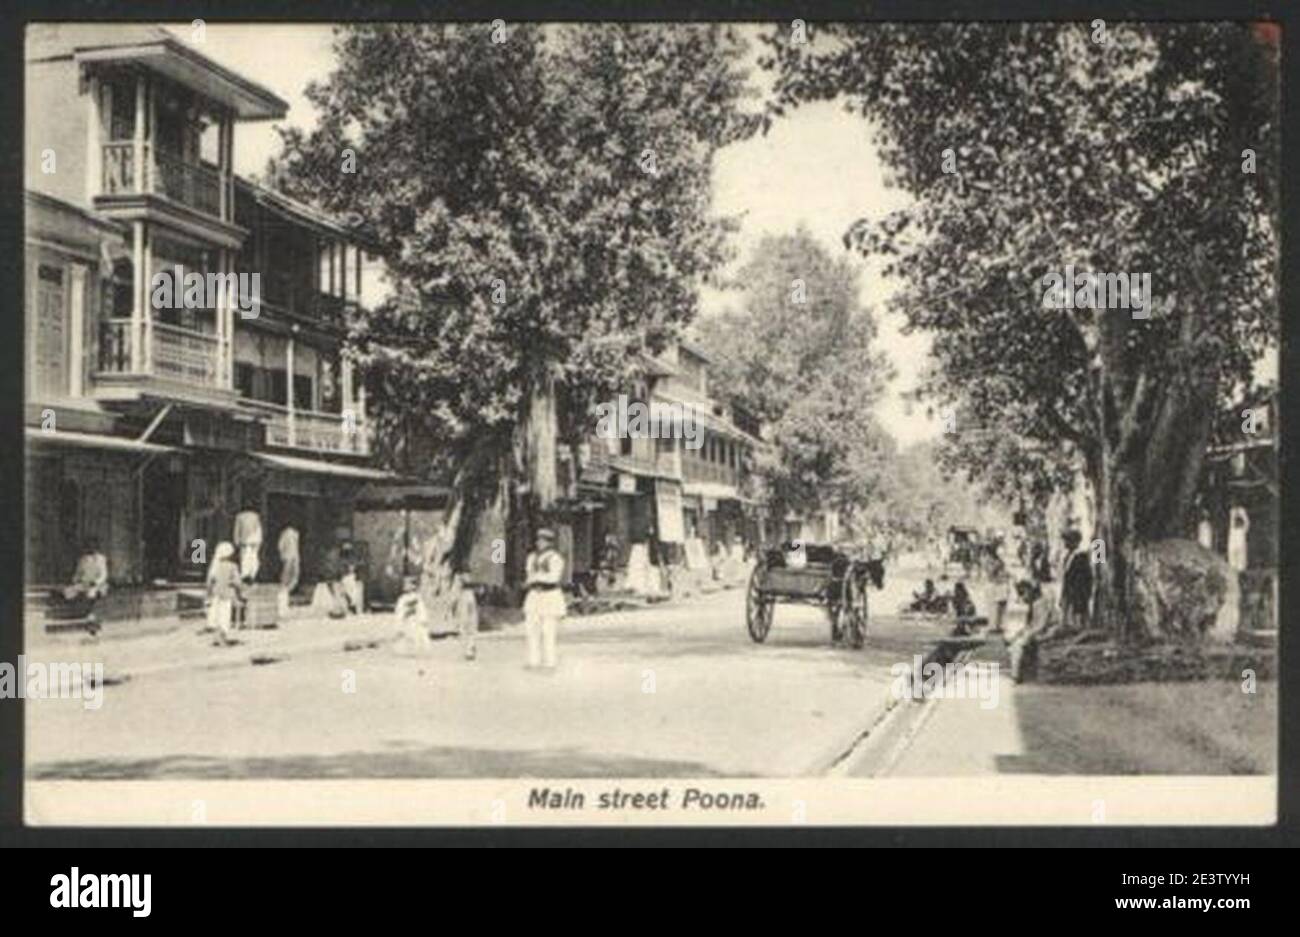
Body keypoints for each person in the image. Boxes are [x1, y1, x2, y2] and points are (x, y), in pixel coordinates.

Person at [523, 527, 567, 670]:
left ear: (550, 543)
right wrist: (534, 579)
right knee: (532, 629)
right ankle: (533, 660)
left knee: (548, 630)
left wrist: (536, 577)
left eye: (544, 541)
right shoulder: (531, 557)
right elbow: (529, 575)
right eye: (539, 540)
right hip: (535, 595)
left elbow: (553, 578)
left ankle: (550, 662)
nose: (540, 543)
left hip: (550, 595)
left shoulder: (555, 558)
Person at [207, 541, 244, 646]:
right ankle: (222, 638)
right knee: (224, 616)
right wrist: (239, 593)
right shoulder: (232, 566)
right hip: (227, 595)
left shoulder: (216, 566)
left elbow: (210, 581)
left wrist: (209, 594)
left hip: (216, 594)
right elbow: (237, 582)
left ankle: (216, 637)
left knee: (216, 615)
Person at [1060, 529, 1092, 631]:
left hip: (1078, 592)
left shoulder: (1081, 557)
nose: (1065, 543)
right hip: (1069, 591)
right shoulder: (1068, 556)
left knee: (1078, 614)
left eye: (1068, 541)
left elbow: (1083, 578)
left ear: (1075, 542)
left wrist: (1080, 593)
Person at [392, 575, 432, 655]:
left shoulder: (417, 597)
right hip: (406, 619)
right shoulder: (403, 598)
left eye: (408, 585)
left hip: (415, 619)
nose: (406, 587)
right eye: (405, 585)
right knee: (404, 633)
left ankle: (419, 650)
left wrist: (410, 611)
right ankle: (403, 650)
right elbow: (400, 608)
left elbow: (419, 608)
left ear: (413, 586)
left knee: (417, 634)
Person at [63, 537, 109, 602]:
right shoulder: (83, 559)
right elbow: (78, 573)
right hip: (84, 583)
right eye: (89, 546)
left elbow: (103, 574)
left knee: (90, 593)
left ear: (96, 547)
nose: (91, 548)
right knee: (68, 591)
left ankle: (90, 606)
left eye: (93, 546)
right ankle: (74, 607)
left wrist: (96, 582)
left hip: (96, 584)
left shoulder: (101, 559)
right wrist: (75, 580)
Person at [233, 504, 263, 583]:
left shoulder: (240, 516)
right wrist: (259, 540)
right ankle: (252, 574)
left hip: (244, 541)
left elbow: (237, 529)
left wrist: (236, 541)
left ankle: (245, 575)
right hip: (254, 541)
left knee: (245, 558)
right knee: (254, 558)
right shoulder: (256, 516)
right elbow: (258, 529)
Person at [277, 525, 300, 617]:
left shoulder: (292, 533)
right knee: (286, 581)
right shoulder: (289, 533)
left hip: (290, 557)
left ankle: (284, 603)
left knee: (290, 579)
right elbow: (281, 546)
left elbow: (280, 546)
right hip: (290, 557)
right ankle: (282, 605)